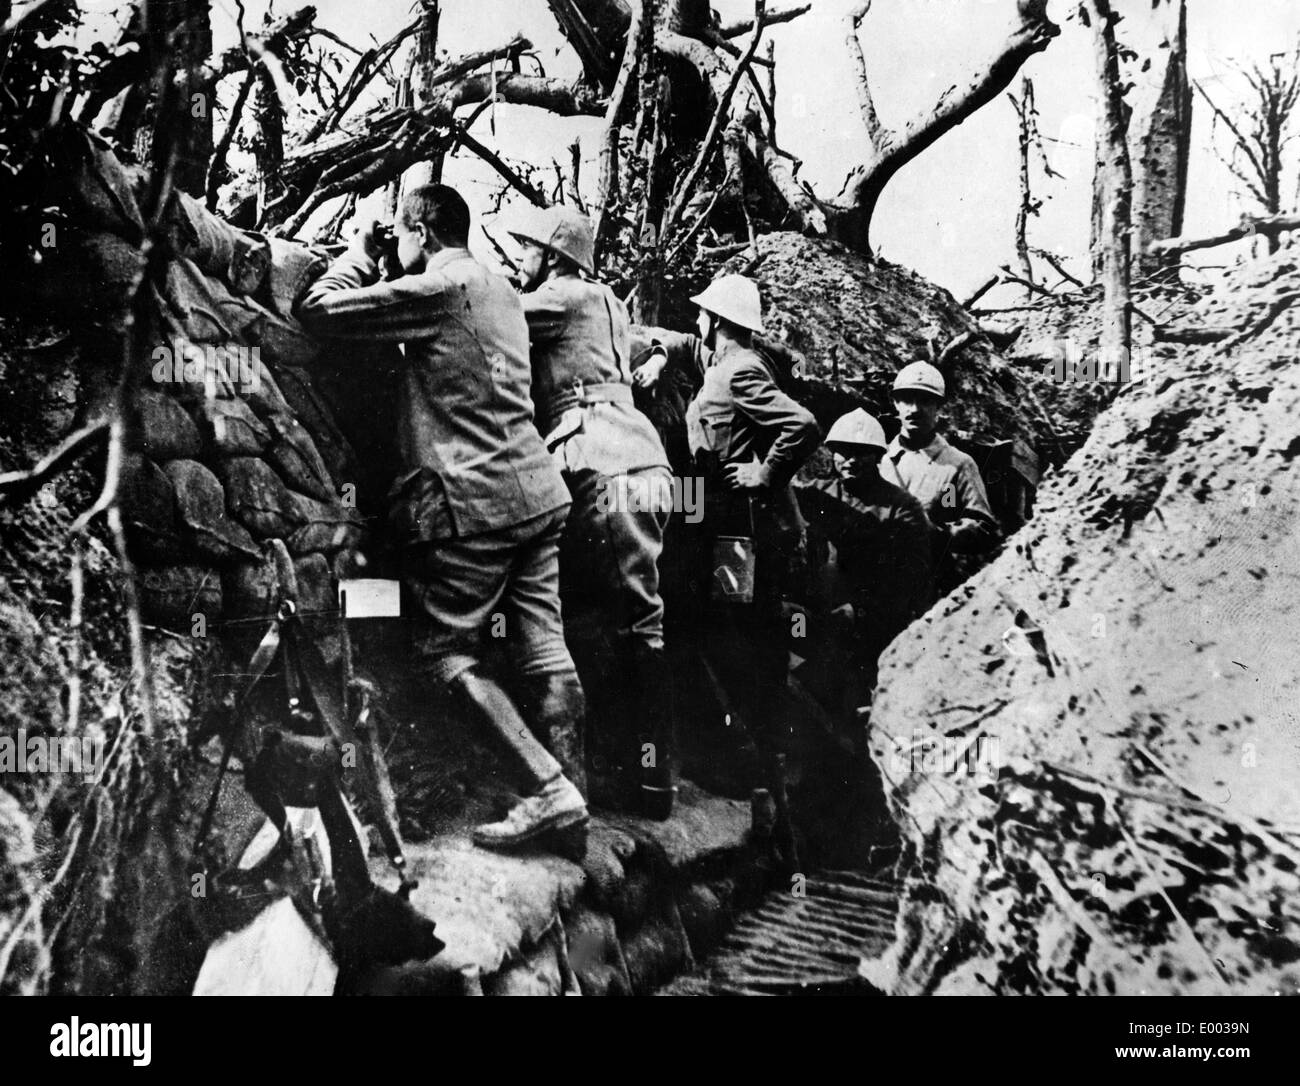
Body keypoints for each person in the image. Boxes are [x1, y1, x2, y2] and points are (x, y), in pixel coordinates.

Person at [296, 184, 588, 855]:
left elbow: (318, 310)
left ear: (420, 232)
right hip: (537, 497)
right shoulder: (501, 290)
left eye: (401, 233)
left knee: (444, 652)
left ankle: (550, 790)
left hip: (475, 504)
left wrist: (357, 256)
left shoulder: (441, 287)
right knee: (546, 649)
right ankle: (575, 800)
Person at [510, 205, 677, 819]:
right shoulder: (609, 301)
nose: (521, 259)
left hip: (602, 463)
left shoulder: (560, 296)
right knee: (641, 620)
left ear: (552, 256)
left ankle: (632, 785)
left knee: (617, 623)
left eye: (528, 248)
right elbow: (659, 342)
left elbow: (485, 312)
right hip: (644, 462)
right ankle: (651, 782)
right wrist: (660, 349)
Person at [682, 273, 820, 791]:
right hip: (718, 522)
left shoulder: (739, 372)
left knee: (736, 638)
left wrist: (766, 472)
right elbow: (682, 347)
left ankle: (749, 762)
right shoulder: (728, 366)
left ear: (716, 321)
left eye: (702, 315)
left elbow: (802, 425)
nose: (697, 322)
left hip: (735, 529)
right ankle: (758, 759)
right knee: (735, 634)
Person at [797, 408, 933, 716]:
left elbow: (912, 580)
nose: (851, 461)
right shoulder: (819, 494)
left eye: (862, 453)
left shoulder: (901, 507)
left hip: (874, 628)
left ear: (877, 456)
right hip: (821, 621)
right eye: (843, 453)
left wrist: (862, 611)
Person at [881, 361, 999, 594]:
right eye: (907, 399)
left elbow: (984, 528)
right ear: (895, 403)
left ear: (939, 406)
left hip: (931, 581)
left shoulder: (958, 464)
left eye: (925, 401)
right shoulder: (879, 459)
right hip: (882, 579)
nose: (914, 409)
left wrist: (940, 534)